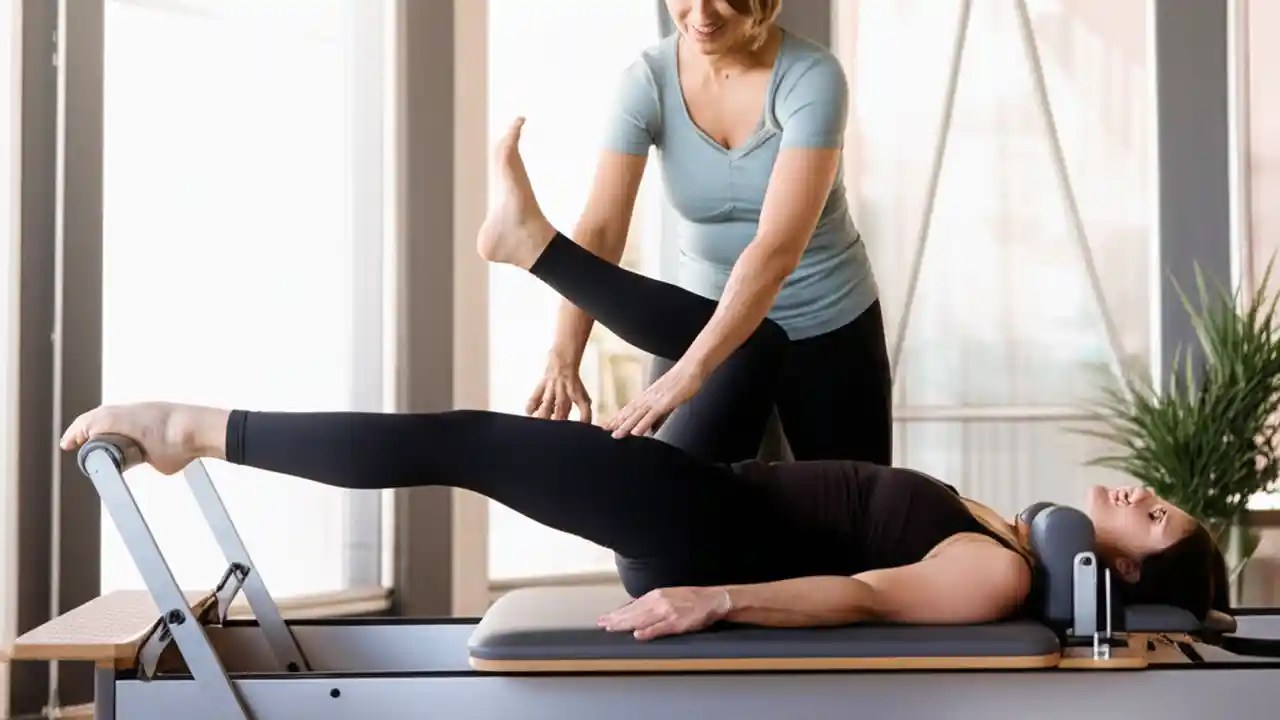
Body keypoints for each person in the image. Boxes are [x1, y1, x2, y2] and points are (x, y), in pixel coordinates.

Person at [61, 119, 1225, 643]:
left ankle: (190, 428)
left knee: (462, 440)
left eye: (1154, 516)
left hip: (691, 532)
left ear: (1119, 567)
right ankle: (535, 250)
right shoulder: (1006, 535)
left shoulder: (991, 574)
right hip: (706, 488)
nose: (1135, 492)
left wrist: (715, 601)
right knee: (753, 339)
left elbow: (859, 601)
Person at [527, 0, 891, 466]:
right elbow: (601, 228)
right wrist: (564, 352)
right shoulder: (647, 81)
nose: (701, 13)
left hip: (826, 326)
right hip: (703, 321)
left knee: (848, 524)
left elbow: (776, 251)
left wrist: (692, 372)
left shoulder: (812, 77)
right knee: (671, 506)